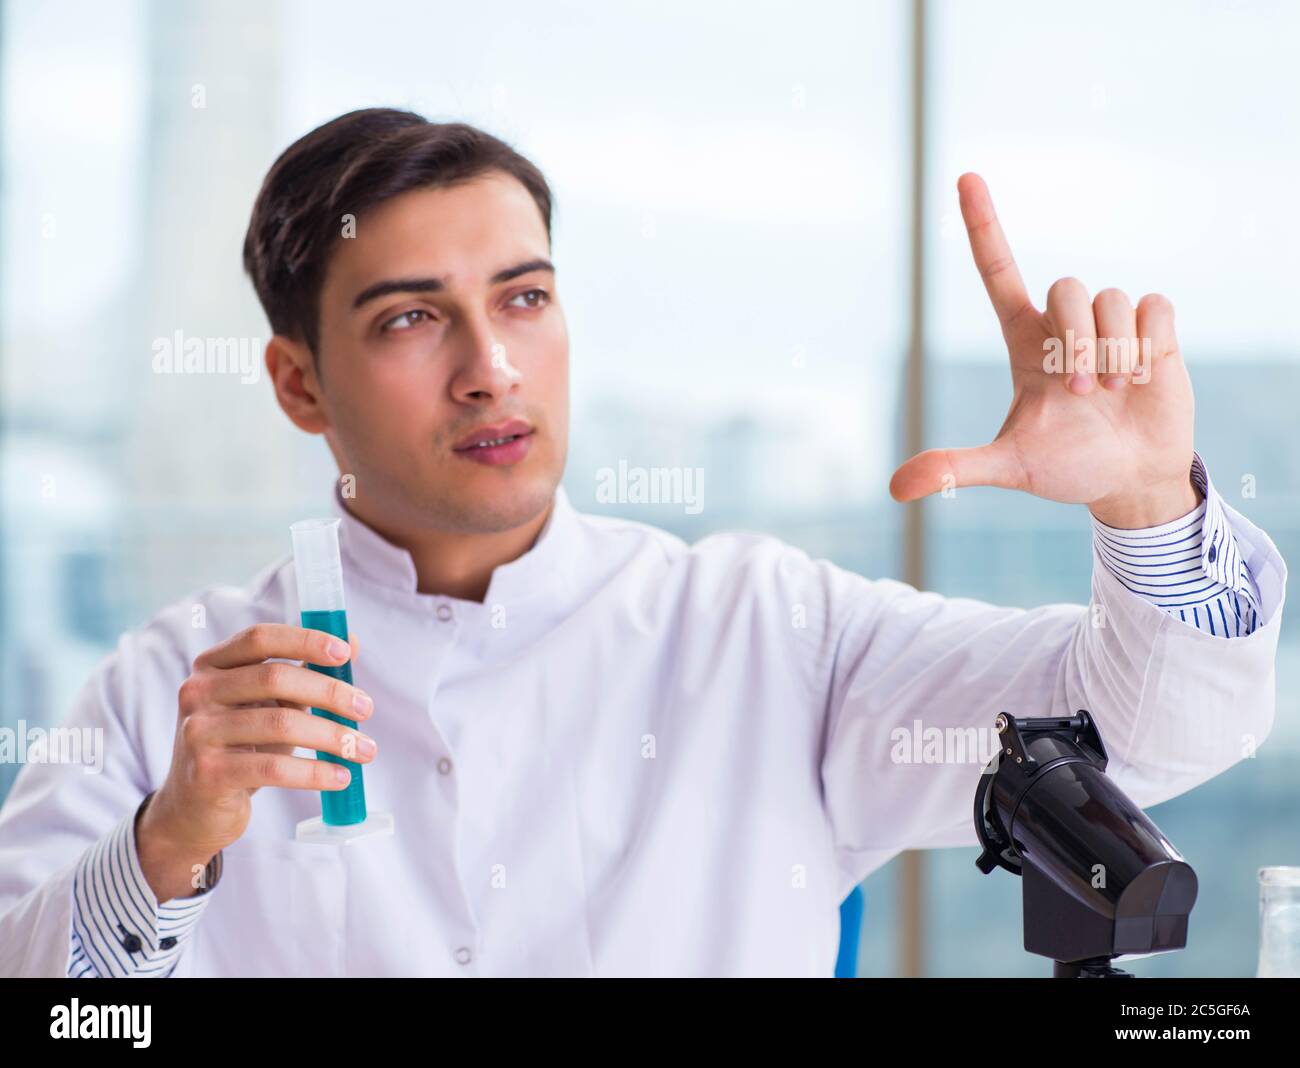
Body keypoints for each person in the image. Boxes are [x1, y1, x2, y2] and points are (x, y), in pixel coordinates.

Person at [0, 109, 1286, 977]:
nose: (491, 368)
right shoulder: (178, 697)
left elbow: (1158, 741)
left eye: (524, 298)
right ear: (298, 385)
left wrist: (1145, 509)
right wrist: (167, 847)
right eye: (409, 320)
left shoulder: (763, 632)